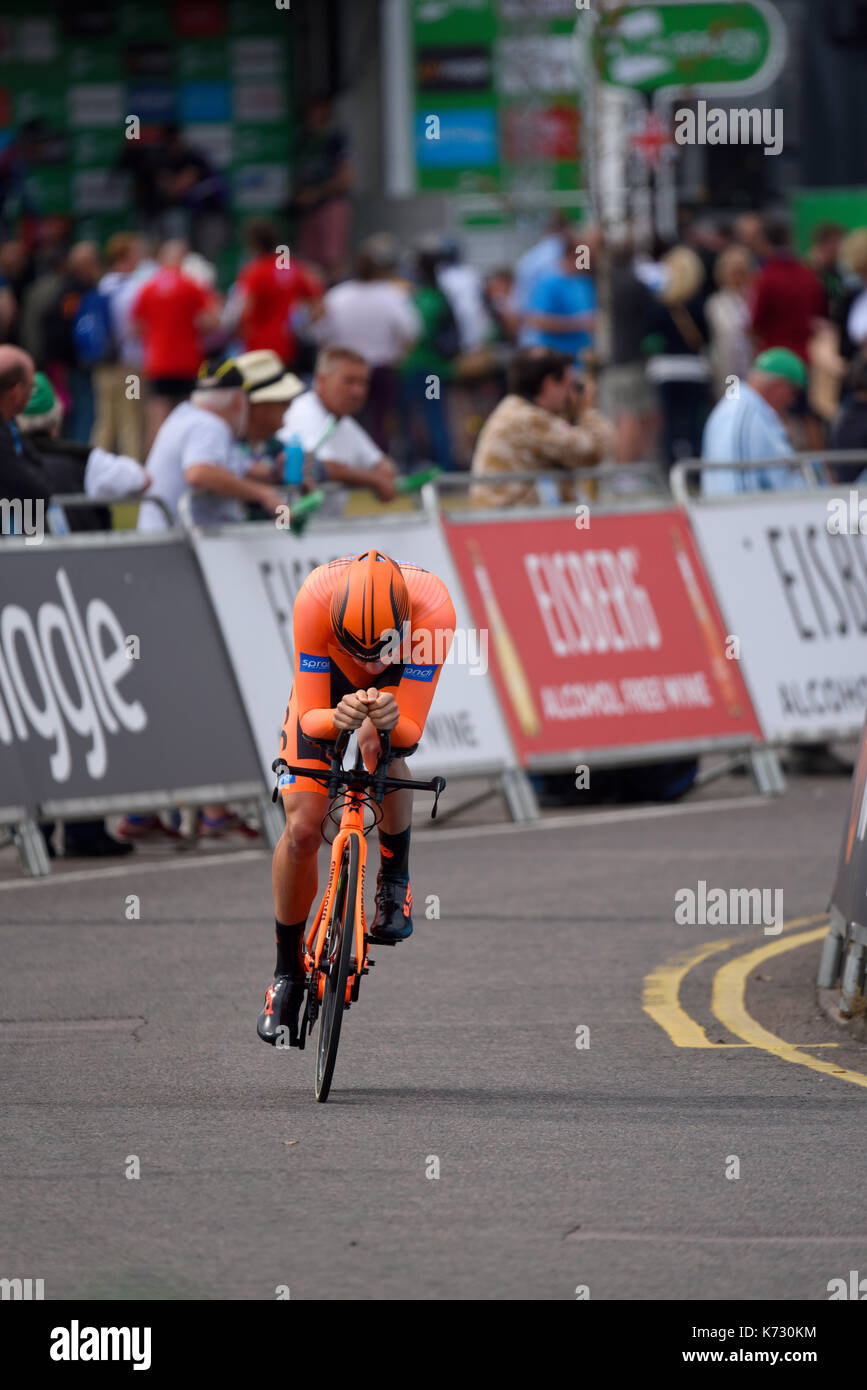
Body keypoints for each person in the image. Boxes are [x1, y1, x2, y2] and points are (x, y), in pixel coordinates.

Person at [257, 549, 455, 1047]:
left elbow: (409, 729)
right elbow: (309, 719)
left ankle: (394, 881)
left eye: (380, 649)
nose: (370, 661)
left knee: (384, 750)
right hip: (330, 689)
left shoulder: (434, 610)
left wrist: (383, 715)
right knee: (302, 829)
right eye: (358, 648)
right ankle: (286, 975)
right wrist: (337, 711)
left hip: (396, 691)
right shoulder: (314, 601)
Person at [136, 356, 283, 530]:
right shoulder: (209, 425)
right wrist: (262, 495)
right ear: (238, 401)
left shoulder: (187, 416)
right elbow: (198, 473)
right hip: (176, 546)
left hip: (167, 541)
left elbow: (241, 467)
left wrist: (276, 473)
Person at [305, 234, 420, 452]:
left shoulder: (338, 295)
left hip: (345, 368)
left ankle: (348, 463)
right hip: (381, 368)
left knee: (345, 419)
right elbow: (411, 331)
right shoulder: (391, 295)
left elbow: (319, 333)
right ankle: (376, 463)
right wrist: (397, 353)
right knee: (380, 422)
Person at [470, 346, 613, 507]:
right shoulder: (527, 419)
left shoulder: (515, 410)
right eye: (570, 385)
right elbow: (592, 451)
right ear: (550, 384)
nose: (573, 394)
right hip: (510, 523)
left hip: (507, 520)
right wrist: (587, 411)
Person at [278, 345, 398, 515]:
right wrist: (375, 481)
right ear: (321, 381)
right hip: (289, 529)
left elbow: (382, 463)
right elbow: (324, 467)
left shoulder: (343, 420)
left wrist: (382, 476)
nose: (358, 391)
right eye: (349, 381)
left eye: (363, 383)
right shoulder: (303, 411)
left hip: (323, 531)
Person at [130, 238, 220, 446]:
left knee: (157, 416)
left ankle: (155, 465)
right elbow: (213, 321)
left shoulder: (148, 287)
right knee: (187, 415)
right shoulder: (192, 286)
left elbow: (135, 327)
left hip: (158, 362)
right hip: (187, 361)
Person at [700, 347, 808, 494]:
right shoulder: (741, 415)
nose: (791, 401)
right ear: (780, 386)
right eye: (793, 392)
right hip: (760, 514)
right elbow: (737, 494)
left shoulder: (754, 411)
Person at [642, 245, 712, 468]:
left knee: (670, 424)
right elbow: (707, 339)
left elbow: (650, 338)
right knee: (693, 422)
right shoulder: (701, 304)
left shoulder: (660, 304)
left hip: (666, 370)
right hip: (694, 369)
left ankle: (672, 469)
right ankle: (695, 468)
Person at [226, 218, 323, 366]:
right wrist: (301, 329)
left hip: (258, 347)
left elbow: (246, 310)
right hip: (287, 346)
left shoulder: (254, 272)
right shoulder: (292, 268)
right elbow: (319, 308)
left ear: (253, 244)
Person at [598, 236, 659, 465]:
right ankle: (628, 469)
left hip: (617, 358)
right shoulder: (636, 285)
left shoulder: (608, 284)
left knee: (624, 414)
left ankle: (627, 468)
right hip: (632, 358)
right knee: (630, 414)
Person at [399, 242, 460, 469]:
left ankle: (433, 464)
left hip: (419, 368)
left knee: (419, 419)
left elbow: (415, 334)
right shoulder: (439, 296)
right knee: (435, 417)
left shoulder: (421, 299)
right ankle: (443, 463)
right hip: (433, 370)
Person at [288, 95, 353, 284]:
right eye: (311, 112)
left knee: (332, 256)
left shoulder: (336, 139)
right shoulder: (302, 141)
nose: (315, 116)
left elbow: (346, 177)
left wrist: (317, 193)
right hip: (306, 209)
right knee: (308, 259)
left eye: (320, 111)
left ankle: (336, 296)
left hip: (330, 203)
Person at [750, 217, 827, 364]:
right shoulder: (808, 275)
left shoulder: (766, 278)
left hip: (773, 356)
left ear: (764, 242)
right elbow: (818, 313)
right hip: (803, 356)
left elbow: (756, 322)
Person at [523, 235, 597, 364]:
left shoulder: (584, 281)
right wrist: (577, 324)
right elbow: (537, 320)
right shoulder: (548, 282)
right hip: (557, 359)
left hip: (581, 359)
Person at [705, 244, 755, 400]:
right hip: (728, 370)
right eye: (734, 272)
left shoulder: (755, 298)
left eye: (742, 271)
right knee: (732, 407)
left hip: (753, 367)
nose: (738, 277)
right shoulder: (717, 303)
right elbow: (726, 331)